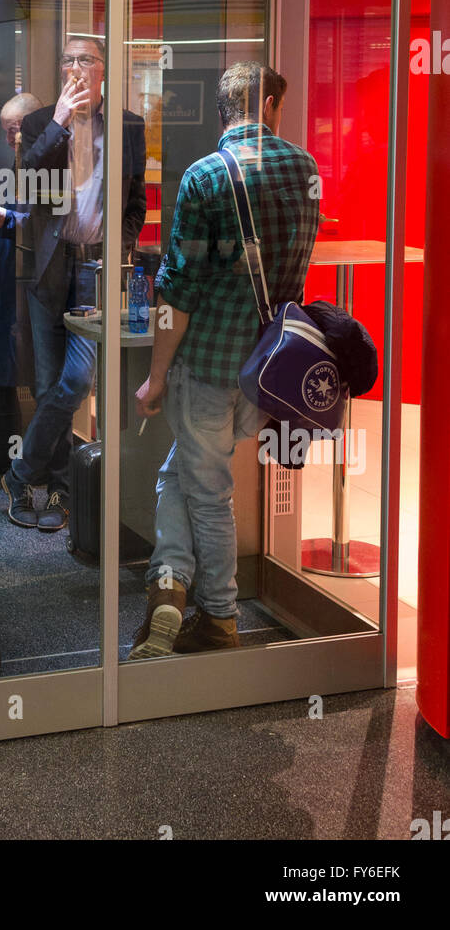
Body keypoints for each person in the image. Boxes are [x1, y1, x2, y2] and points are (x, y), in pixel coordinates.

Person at [131, 62, 320, 657]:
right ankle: (168, 588)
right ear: (267, 104)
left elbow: (179, 290)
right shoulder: (305, 169)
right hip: (268, 372)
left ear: (224, 110)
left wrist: (157, 376)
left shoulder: (204, 177)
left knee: (208, 492)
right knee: (180, 474)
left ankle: (218, 615)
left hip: (208, 368)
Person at [1, 36, 146, 531]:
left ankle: (21, 474)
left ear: (104, 68)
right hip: (49, 263)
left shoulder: (128, 124)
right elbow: (23, 182)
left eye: (87, 59)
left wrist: (122, 247)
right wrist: (61, 120)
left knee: (78, 379)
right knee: (48, 383)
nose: (76, 68)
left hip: (97, 269)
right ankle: (55, 486)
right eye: (68, 60)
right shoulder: (43, 122)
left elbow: (135, 201)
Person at [0, 93, 43, 475]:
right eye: (8, 132)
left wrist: (9, 220)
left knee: (35, 376)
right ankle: (7, 452)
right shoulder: (18, 165)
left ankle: (40, 463)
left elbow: (55, 224)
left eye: (17, 129)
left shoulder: (57, 160)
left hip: (35, 283)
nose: (13, 139)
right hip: (9, 280)